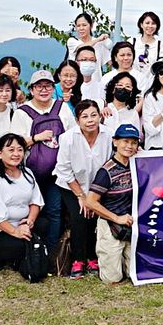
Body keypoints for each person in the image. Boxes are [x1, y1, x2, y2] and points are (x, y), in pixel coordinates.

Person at [11, 69, 73, 258]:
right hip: (30, 172)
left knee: (54, 209)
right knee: (27, 210)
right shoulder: (22, 112)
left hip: (57, 171)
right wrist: (36, 138)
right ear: (31, 90)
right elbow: (15, 143)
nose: (43, 90)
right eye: (39, 86)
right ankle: (28, 249)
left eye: (47, 86)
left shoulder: (61, 107)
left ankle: (51, 250)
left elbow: (72, 135)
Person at [55, 101, 112, 278]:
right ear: (77, 119)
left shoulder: (109, 135)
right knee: (80, 216)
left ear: (100, 116)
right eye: (85, 116)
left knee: (96, 216)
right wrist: (81, 196)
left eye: (94, 115)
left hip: (99, 187)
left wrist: (94, 197)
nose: (90, 120)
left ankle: (93, 257)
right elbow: (64, 169)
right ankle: (78, 260)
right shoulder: (67, 138)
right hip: (72, 185)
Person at [0, 134, 46, 272]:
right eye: (11, 150)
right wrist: (16, 232)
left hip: (22, 224)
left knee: (44, 224)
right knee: (21, 244)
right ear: (0, 153)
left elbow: (36, 202)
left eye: (20, 150)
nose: (16, 154)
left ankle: (21, 253)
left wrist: (29, 222)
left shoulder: (27, 173)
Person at [87, 124, 139, 285]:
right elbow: (90, 201)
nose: (129, 146)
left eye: (133, 142)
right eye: (125, 141)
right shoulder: (106, 171)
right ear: (115, 142)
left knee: (135, 273)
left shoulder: (138, 165)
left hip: (132, 224)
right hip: (110, 223)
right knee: (113, 278)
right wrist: (116, 218)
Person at [101, 73, 142, 140]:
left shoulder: (133, 113)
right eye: (120, 85)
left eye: (128, 86)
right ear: (113, 89)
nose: (123, 88)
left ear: (132, 92)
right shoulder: (102, 106)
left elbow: (137, 137)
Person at [133, 11, 163, 78]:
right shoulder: (132, 42)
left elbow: (162, 67)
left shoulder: (161, 46)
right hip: (133, 82)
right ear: (141, 25)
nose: (150, 26)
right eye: (147, 23)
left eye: (153, 23)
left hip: (153, 84)